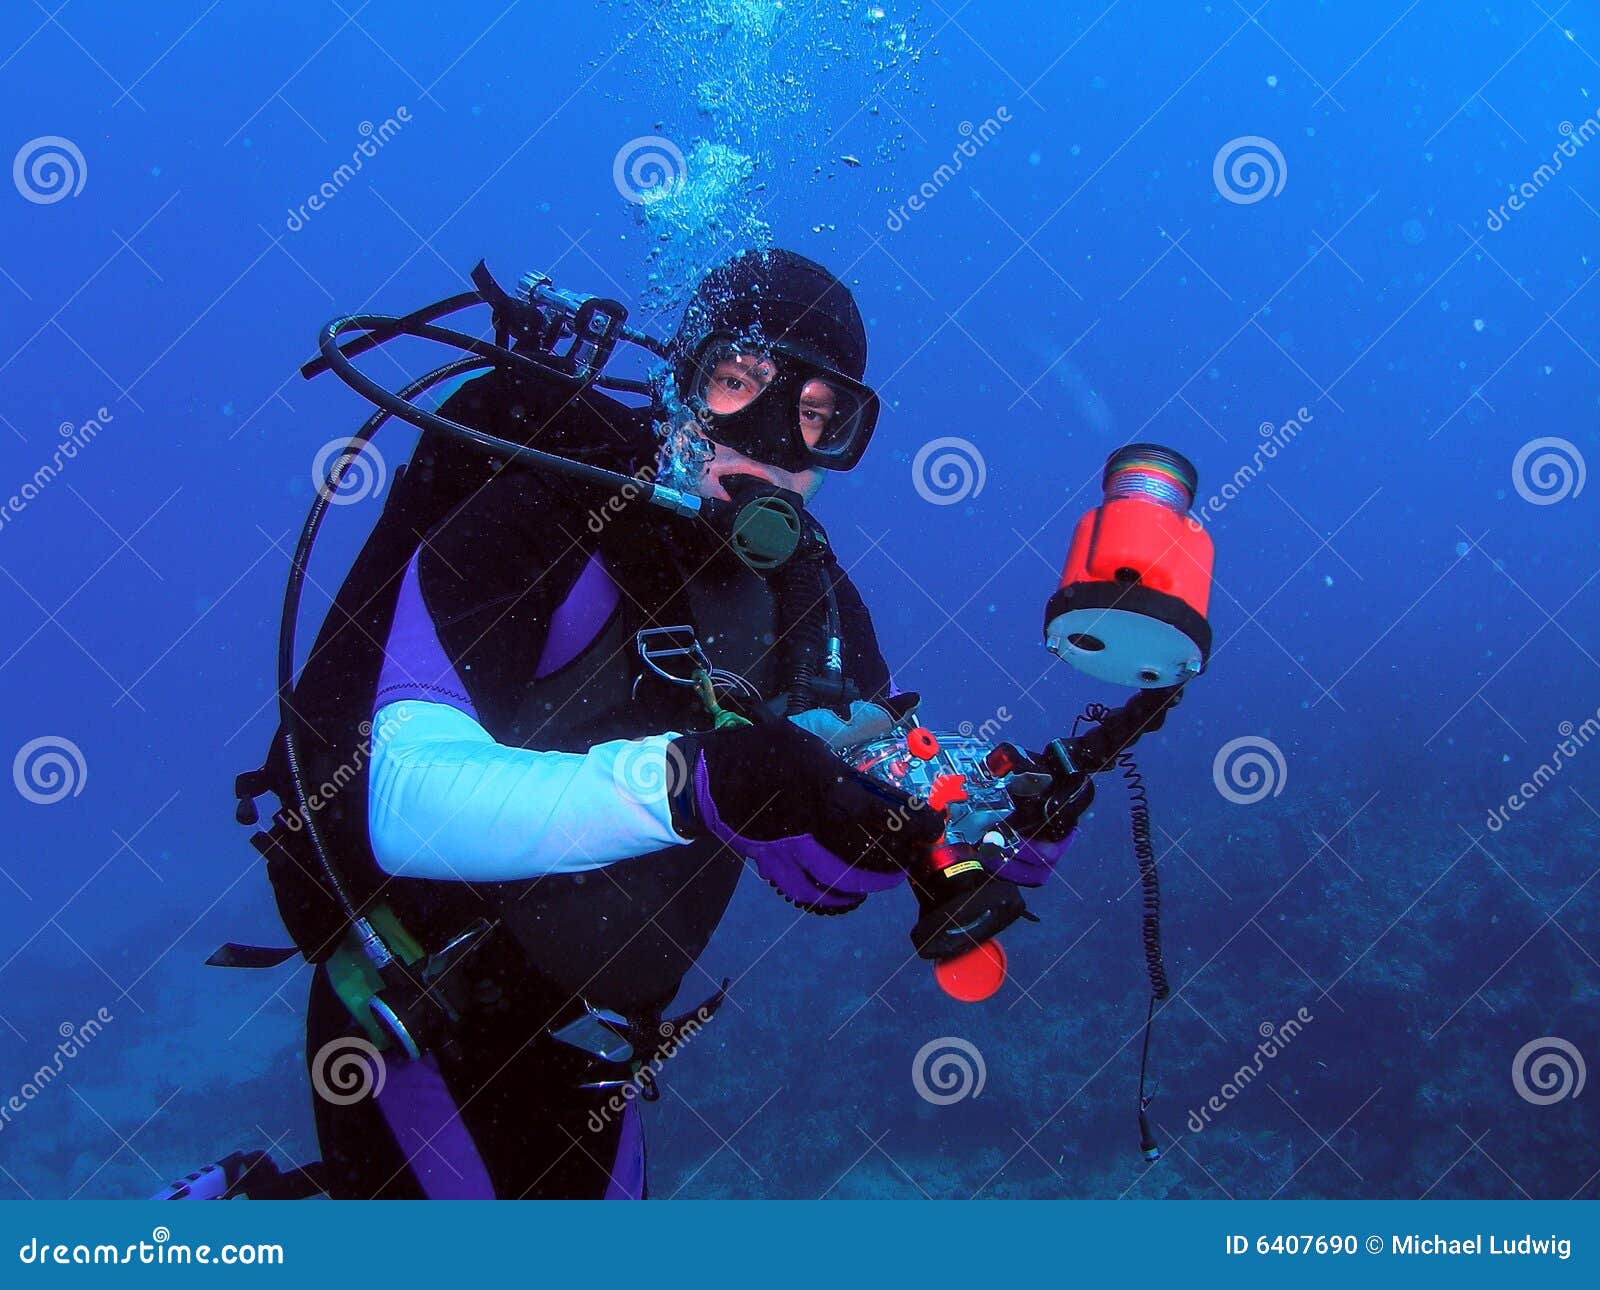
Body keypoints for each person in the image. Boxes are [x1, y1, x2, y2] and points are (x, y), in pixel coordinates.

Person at [239, 249, 1089, 1199]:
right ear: (682, 379)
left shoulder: (815, 609)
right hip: (416, 1015)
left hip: (605, 1052)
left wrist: (967, 836)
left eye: (817, 414)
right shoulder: (540, 510)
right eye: (738, 386)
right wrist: (692, 779)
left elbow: (819, 868)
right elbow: (404, 802)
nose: (773, 442)